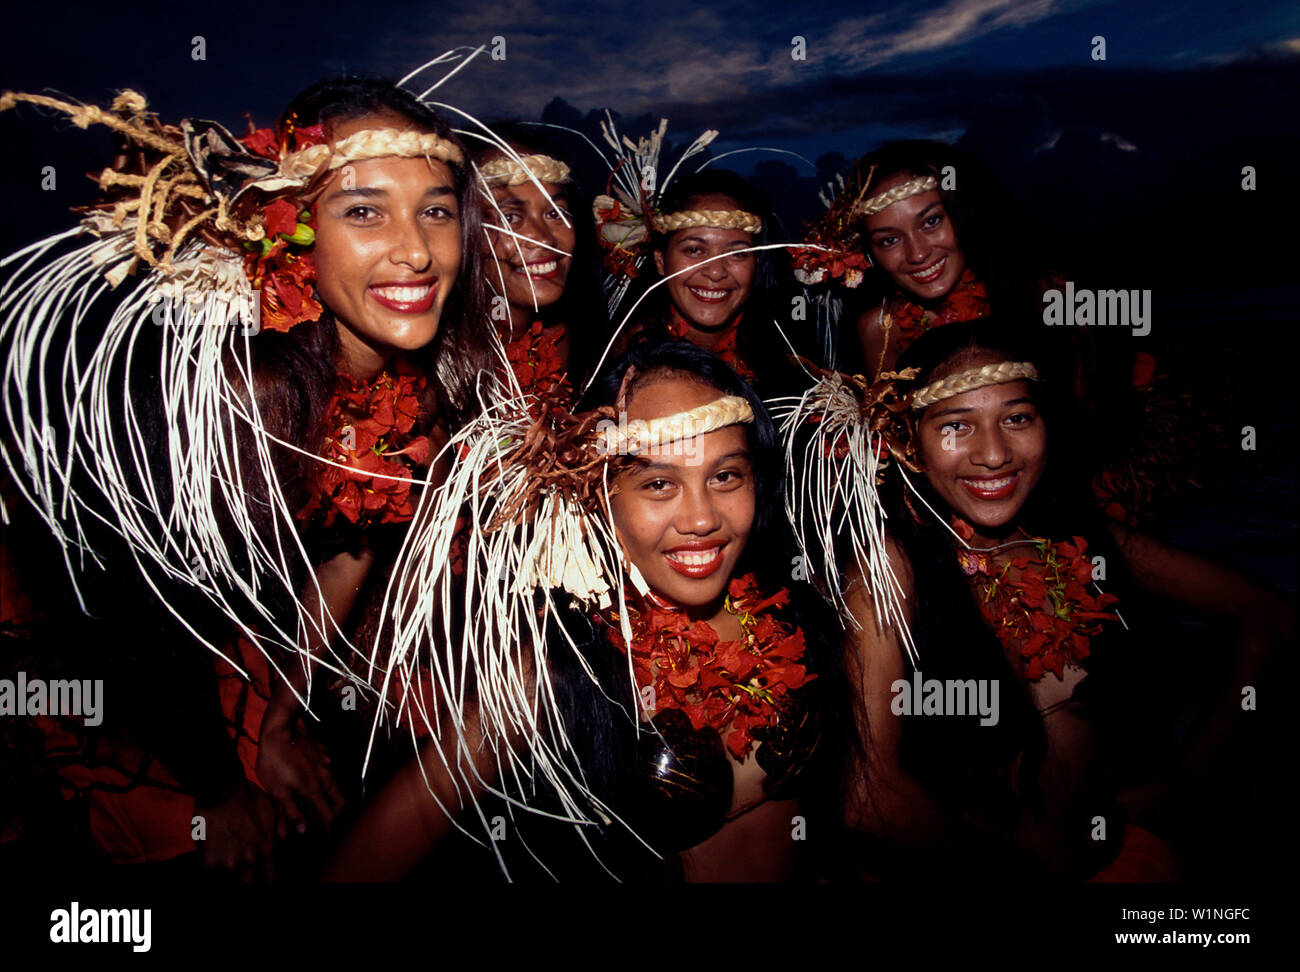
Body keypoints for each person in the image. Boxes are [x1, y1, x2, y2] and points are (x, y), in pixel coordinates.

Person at [0, 75, 496, 875]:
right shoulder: (248, 392)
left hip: (211, 642)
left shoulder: (405, 378)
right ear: (294, 224)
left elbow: (352, 545)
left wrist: (282, 719)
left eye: (435, 209)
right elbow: (127, 605)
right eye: (364, 210)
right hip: (92, 653)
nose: (416, 248)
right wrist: (217, 794)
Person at [323, 341, 848, 881]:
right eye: (659, 484)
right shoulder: (555, 667)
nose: (701, 518)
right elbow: (374, 850)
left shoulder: (794, 611)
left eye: (725, 476)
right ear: (598, 495)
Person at [792, 319, 1289, 879]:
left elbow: (1267, 614)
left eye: (1016, 418)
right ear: (910, 444)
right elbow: (867, 796)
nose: (995, 454)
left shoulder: (1077, 536)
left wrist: (1189, 780)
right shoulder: (890, 567)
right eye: (957, 426)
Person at [474, 127, 605, 401]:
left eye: (554, 213)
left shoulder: (557, 339)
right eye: (509, 217)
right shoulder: (435, 368)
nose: (544, 238)